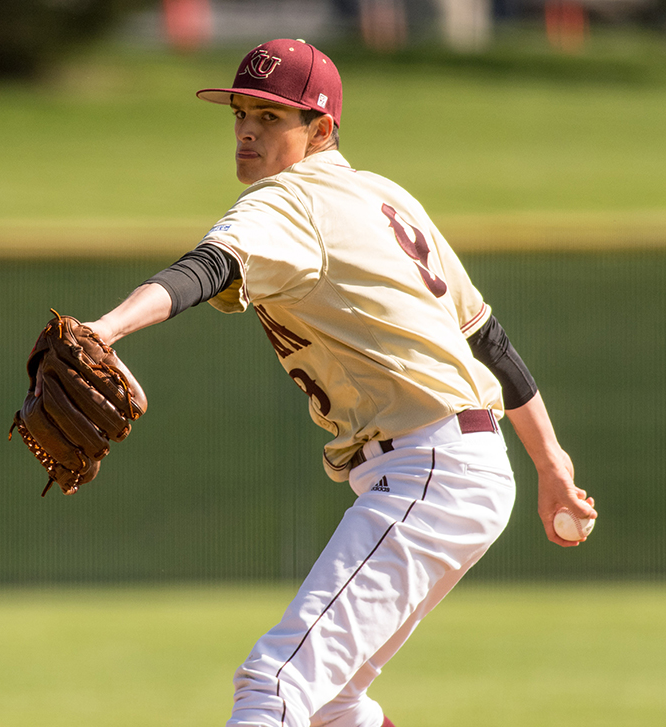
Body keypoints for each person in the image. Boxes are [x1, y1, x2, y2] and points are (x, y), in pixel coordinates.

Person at [82, 39, 597, 727]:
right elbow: (487, 338)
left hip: (431, 469)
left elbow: (205, 268)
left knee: (271, 685)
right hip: (460, 465)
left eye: (270, 117)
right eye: (240, 113)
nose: (246, 130)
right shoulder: (387, 196)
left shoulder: (286, 202)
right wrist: (551, 464)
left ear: (320, 128)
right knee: (333, 705)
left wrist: (107, 328)